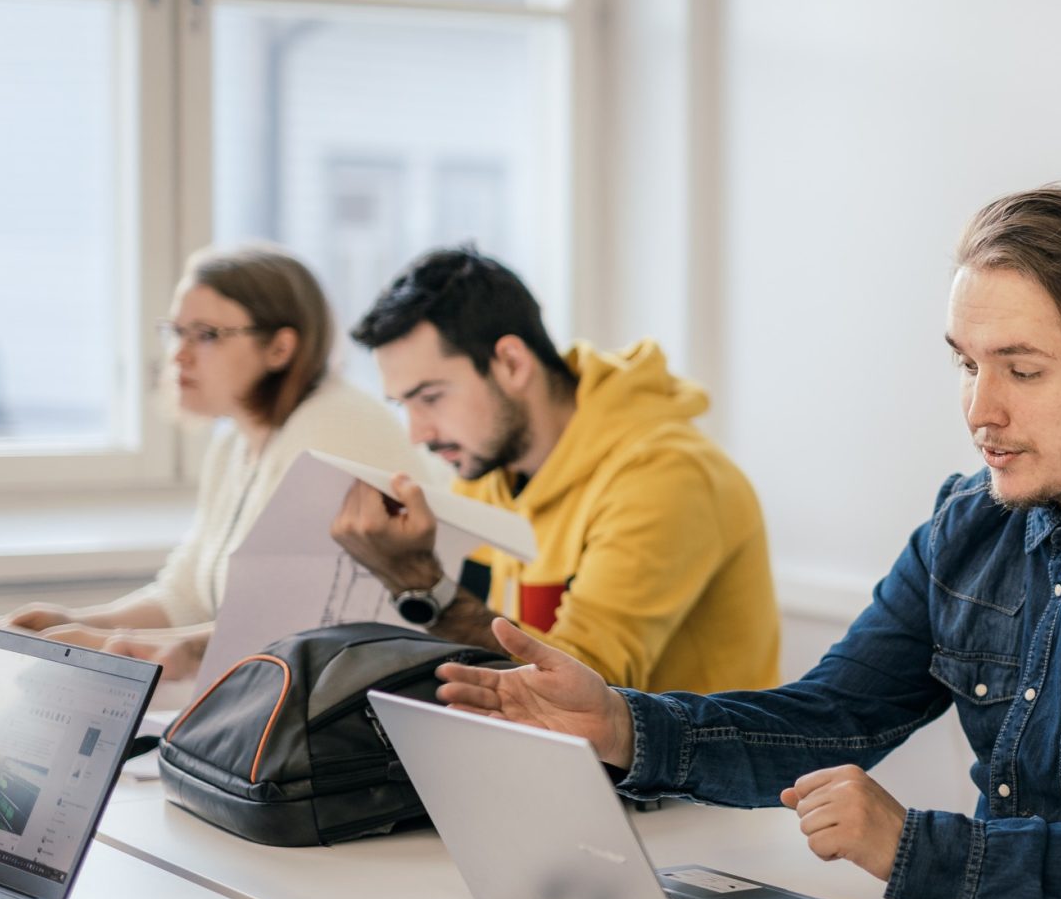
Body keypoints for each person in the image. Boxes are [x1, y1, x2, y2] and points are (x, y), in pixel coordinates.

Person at [434, 187, 1061, 899]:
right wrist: (626, 726)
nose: (980, 410)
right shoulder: (972, 523)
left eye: (1022, 370)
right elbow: (832, 716)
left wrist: (922, 852)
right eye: (966, 364)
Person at [330, 247, 778, 693]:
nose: (418, 433)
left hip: (671, 743)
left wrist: (422, 587)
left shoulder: (668, 474)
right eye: (403, 405)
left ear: (512, 363)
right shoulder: (487, 468)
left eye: (430, 398)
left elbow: (589, 690)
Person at [0, 245, 423, 680]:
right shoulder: (233, 443)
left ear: (280, 348)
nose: (178, 355)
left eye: (205, 335)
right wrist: (80, 622)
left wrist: (111, 644)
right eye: (176, 332)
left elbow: (304, 624)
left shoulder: (334, 427)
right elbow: (185, 595)